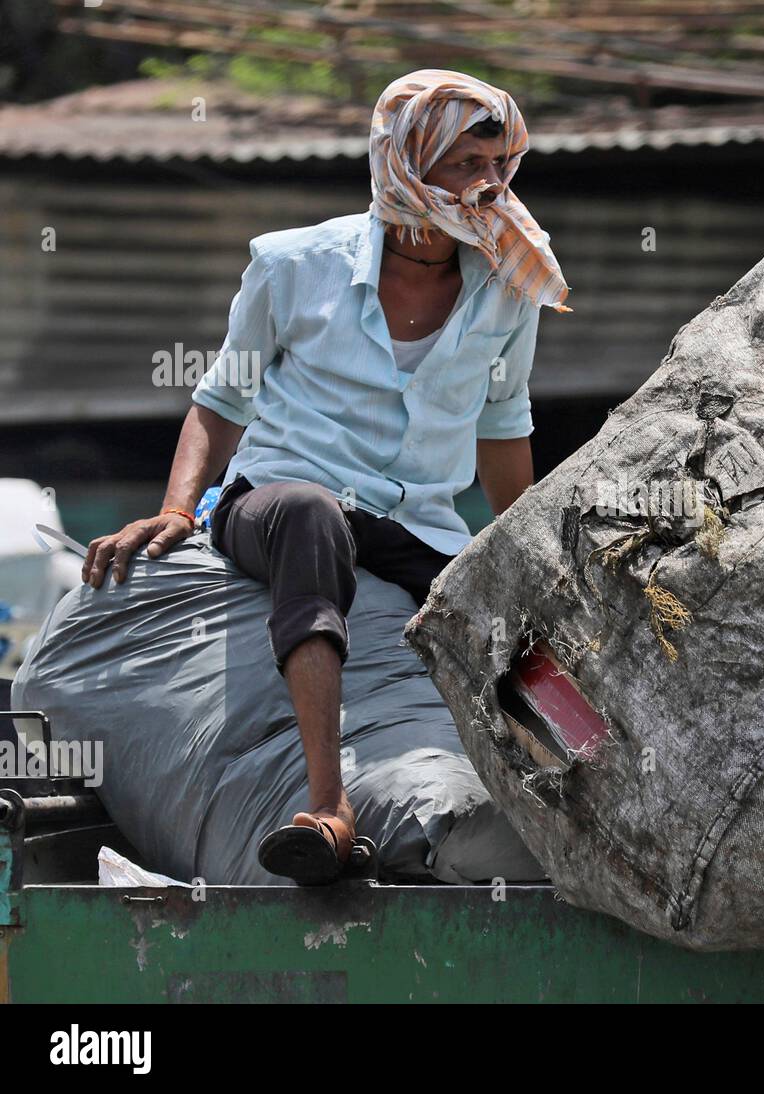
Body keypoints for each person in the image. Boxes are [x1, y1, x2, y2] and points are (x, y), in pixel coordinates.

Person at [80, 70, 570, 883]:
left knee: (513, 625)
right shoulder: (291, 265)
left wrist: (524, 565)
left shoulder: (507, 290)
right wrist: (175, 509)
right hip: (276, 498)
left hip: (414, 522)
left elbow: (501, 429)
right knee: (311, 514)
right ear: (404, 164)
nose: (487, 183)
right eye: (462, 163)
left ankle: (588, 805)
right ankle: (329, 808)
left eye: (498, 163)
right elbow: (218, 403)